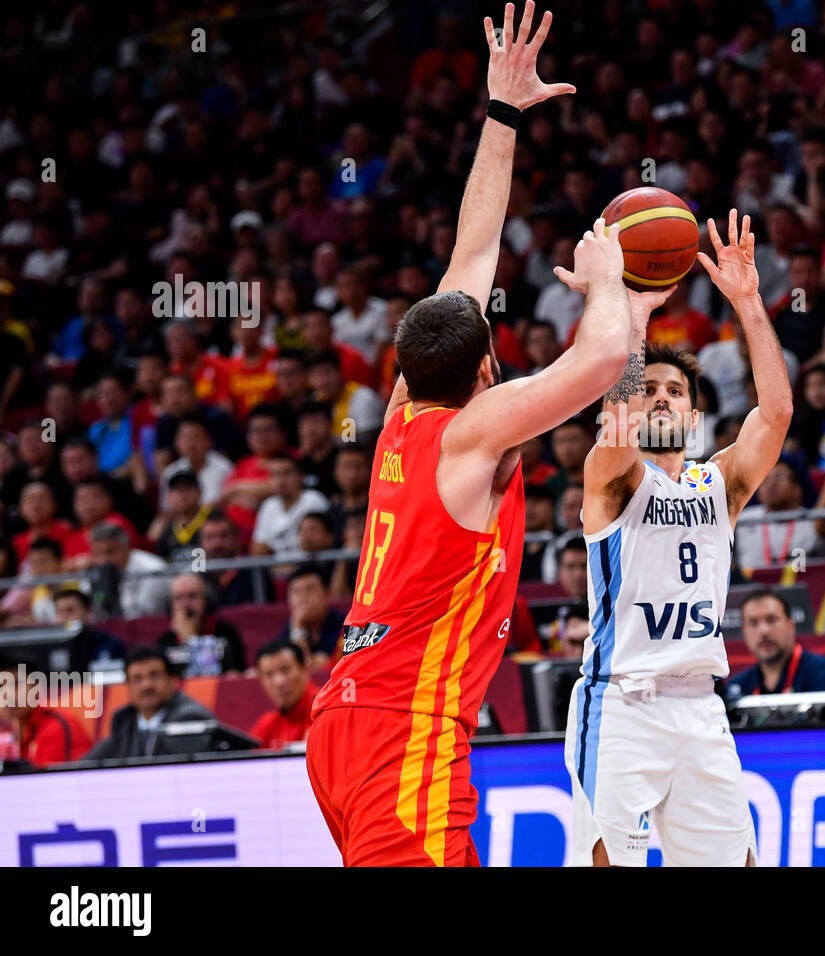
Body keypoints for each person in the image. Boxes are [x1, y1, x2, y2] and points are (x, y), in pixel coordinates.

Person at [308, 3, 615, 868]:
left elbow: (470, 255)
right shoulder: (473, 433)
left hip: (345, 717)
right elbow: (601, 364)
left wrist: (503, 113)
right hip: (401, 730)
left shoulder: (403, 407)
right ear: (487, 371)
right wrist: (609, 281)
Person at [565, 208, 792, 868]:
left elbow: (775, 413)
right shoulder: (612, 476)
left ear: (695, 413)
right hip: (621, 704)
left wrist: (748, 304)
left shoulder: (719, 484)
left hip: (700, 707)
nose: (660, 399)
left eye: (675, 391)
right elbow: (620, 417)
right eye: (652, 390)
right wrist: (632, 316)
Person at [85, 646, 218, 760]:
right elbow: (83, 768)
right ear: (127, 686)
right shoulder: (124, 721)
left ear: (172, 681)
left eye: (155, 676)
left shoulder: (191, 718)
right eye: (137, 679)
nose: (146, 685)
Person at [727, 588, 825, 695]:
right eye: (753, 623)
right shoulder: (738, 686)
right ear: (744, 632)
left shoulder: (821, 673)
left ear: (791, 626)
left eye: (772, 620)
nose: (764, 631)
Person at [0, 652, 93, 767]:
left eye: (16, 684)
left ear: (36, 686)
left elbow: (57, 783)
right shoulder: (6, 728)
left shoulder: (57, 728)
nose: (6, 694)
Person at [156, 573, 246, 677]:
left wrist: (191, 639)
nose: (186, 604)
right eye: (179, 598)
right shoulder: (165, 641)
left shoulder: (226, 633)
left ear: (207, 600)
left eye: (193, 596)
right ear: (170, 605)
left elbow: (234, 674)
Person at [250, 453, 331, 561]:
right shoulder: (268, 505)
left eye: (286, 473)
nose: (280, 480)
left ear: (300, 476)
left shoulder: (313, 500)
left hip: (310, 567)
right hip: (276, 573)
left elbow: (322, 541)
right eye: (274, 474)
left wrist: (272, 546)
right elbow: (257, 550)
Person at [87, 522, 169, 619]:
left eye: (110, 552)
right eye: (98, 553)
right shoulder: (95, 571)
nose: (104, 560)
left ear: (126, 547)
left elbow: (143, 614)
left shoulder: (152, 570)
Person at [250, 639, 319, 749]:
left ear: (305, 669)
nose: (279, 682)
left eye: (285, 670)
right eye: (269, 675)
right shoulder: (268, 724)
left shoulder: (327, 710)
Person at [277, 564, 346, 667]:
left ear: (327, 594)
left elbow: (309, 667)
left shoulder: (343, 625)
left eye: (310, 589)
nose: (302, 598)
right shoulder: (289, 627)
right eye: (296, 591)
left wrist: (297, 626)